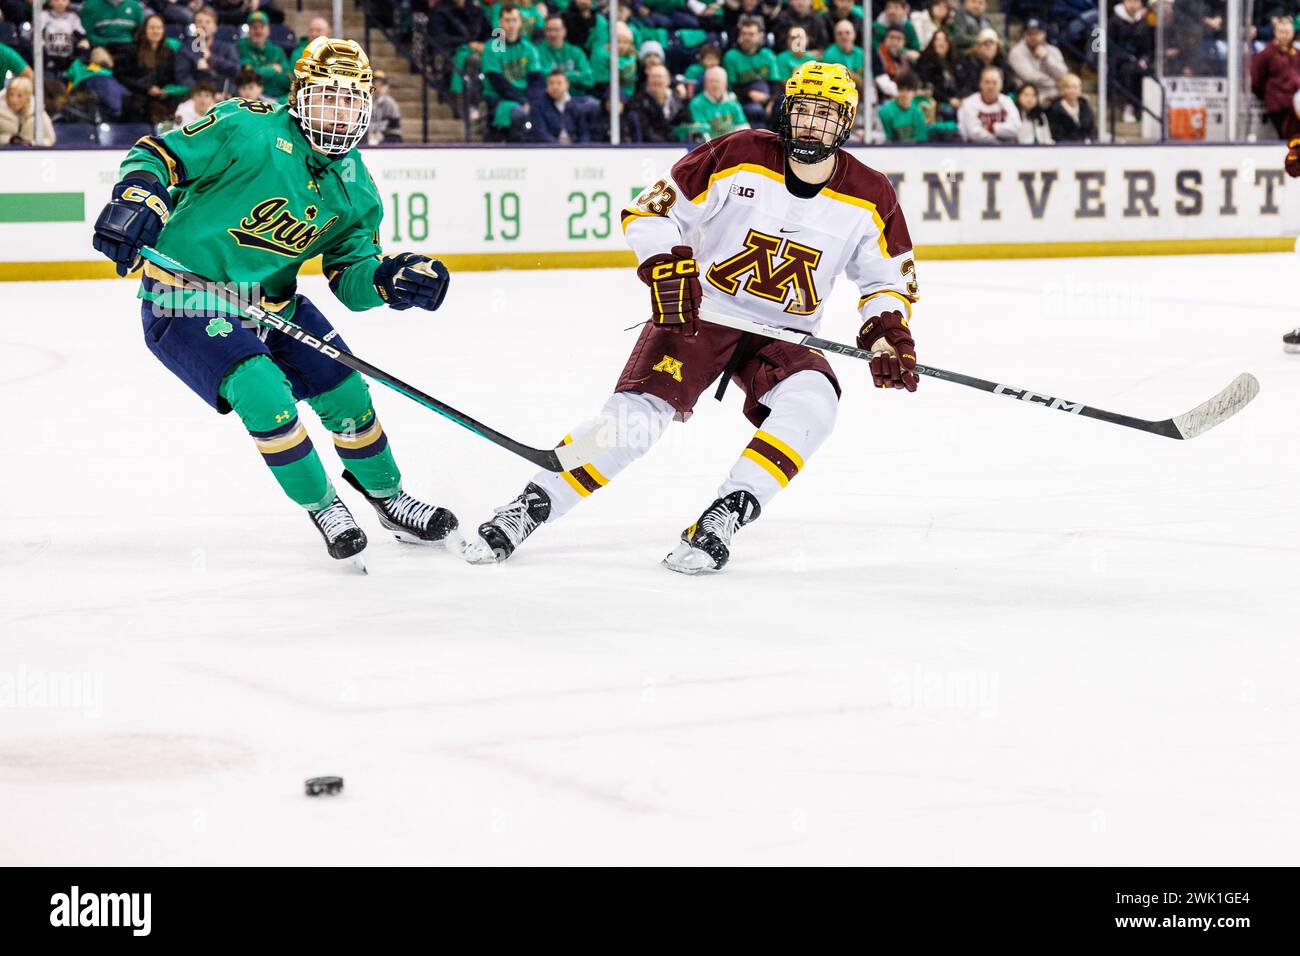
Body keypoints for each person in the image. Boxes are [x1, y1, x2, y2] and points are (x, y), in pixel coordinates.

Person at [462, 61, 919, 574]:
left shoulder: (871, 193)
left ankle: (724, 515)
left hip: (784, 335)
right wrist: (666, 268)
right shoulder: (739, 153)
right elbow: (652, 211)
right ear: (787, 112)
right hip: (699, 313)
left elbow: (886, 280)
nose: (812, 124)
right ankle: (534, 502)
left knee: (815, 403)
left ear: (845, 123)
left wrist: (887, 333)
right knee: (632, 424)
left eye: (825, 115)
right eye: (804, 110)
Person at [90, 38, 457, 565]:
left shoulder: (358, 188)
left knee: (348, 392)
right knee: (263, 392)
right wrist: (138, 195)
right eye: (328, 96)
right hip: (186, 300)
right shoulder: (248, 125)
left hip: (275, 306)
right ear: (300, 93)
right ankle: (323, 504)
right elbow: (159, 154)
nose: (340, 111)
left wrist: (386, 279)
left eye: (352, 100)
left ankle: (387, 496)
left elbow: (351, 277)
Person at [482, 4, 543, 141]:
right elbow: (497, 81)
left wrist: (529, 101)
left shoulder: (528, 48)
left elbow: (536, 80)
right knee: (519, 114)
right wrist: (522, 101)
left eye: (514, 20)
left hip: (524, 97)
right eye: (507, 20)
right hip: (500, 98)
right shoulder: (494, 45)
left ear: (520, 22)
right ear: (500, 22)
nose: (511, 24)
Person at [119, 13, 188, 123]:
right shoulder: (132, 51)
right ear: (144, 30)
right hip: (138, 94)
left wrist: (165, 90)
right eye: (152, 28)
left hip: (160, 95)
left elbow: (171, 77)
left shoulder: (168, 52)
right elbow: (123, 76)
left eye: (159, 28)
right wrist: (147, 88)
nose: (156, 31)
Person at [1251, 15, 1300, 138]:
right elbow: (1256, 78)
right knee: (1287, 137)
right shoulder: (1267, 53)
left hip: (1296, 104)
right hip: (1278, 104)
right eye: (1281, 32)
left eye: (1288, 32)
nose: (1284, 35)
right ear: (1275, 33)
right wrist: (1268, 95)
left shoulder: (1296, 53)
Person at [723, 15, 777, 127]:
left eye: (751, 34)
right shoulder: (731, 56)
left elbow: (775, 84)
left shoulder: (768, 55)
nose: (747, 37)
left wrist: (771, 103)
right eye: (744, 34)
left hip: (767, 98)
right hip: (743, 99)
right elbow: (732, 87)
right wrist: (749, 93)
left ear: (760, 36)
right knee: (755, 110)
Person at [176, 5, 240, 93]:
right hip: (198, 96)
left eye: (208, 22)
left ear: (215, 27)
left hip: (224, 96)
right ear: (195, 26)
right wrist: (206, 93)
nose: (203, 25)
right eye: (199, 22)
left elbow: (236, 70)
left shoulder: (227, 47)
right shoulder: (186, 49)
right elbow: (183, 78)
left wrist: (211, 58)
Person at [1006, 17, 1067, 103]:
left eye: (1036, 33)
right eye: (1029, 34)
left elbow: (1063, 74)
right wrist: (1054, 83)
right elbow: (1029, 76)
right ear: (1024, 35)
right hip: (1027, 93)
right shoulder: (1016, 52)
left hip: (1052, 91)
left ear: (1044, 34)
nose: (1033, 37)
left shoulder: (1053, 50)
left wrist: (1047, 58)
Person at [684, 64, 749, 140]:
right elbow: (702, 132)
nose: (714, 85)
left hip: (732, 145)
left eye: (718, 81)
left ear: (725, 83)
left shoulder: (733, 102)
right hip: (710, 146)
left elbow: (743, 127)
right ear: (705, 83)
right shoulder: (696, 104)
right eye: (711, 81)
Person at [626, 62, 688, 141]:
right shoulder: (637, 102)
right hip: (651, 148)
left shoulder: (679, 102)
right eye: (653, 77)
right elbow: (645, 131)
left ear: (668, 80)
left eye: (659, 77)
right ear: (647, 80)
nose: (656, 80)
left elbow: (685, 126)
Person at [957, 64, 1019, 141]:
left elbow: (1015, 128)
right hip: (974, 149)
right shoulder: (969, 103)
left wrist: (991, 127)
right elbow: (973, 132)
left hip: (1006, 149)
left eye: (994, 83)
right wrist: (996, 141)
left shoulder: (1007, 102)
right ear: (980, 84)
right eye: (987, 82)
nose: (991, 86)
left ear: (1001, 85)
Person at [239, 10, 291, 100]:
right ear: (249, 30)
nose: (258, 31)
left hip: (281, 98)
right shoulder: (241, 47)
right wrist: (273, 69)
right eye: (254, 28)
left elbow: (288, 80)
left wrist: (261, 72)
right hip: (255, 98)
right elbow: (249, 77)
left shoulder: (277, 50)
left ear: (268, 30)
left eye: (262, 27)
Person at [531, 68, 592, 141]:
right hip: (550, 149)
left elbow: (584, 133)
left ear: (567, 85)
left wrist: (581, 149)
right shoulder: (538, 106)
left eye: (559, 83)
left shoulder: (576, 106)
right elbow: (542, 133)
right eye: (551, 83)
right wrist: (559, 149)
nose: (554, 87)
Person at [955, 27, 1013, 99]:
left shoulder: (1002, 63)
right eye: (985, 44)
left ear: (997, 47)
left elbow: (1010, 86)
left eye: (992, 44)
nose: (989, 47)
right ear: (977, 47)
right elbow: (964, 89)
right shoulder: (966, 64)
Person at [915, 28, 960, 119]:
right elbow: (929, 88)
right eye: (937, 40)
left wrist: (960, 98)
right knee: (949, 112)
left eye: (944, 40)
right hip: (936, 100)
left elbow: (960, 83)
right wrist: (949, 100)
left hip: (954, 99)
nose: (941, 43)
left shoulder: (953, 62)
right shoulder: (925, 61)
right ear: (933, 43)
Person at [0, 75, 56, 145]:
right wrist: (9, 139)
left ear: (27, 97)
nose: (14, 100)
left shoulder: (38, 113)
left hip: (31, 154)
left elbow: (50, 139)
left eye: (19, 96)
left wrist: (31, 143)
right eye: (11, 94)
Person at [81, 0, 146, 60]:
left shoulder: (136, 6)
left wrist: (132, 44)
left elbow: (141, 32)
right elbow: (88, 33)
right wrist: (105, 43)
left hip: (129, 47)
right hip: (102, 48)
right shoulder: (90, 5)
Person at [878, 70, 928, 141]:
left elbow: (921, 141)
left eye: (908, 90)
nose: (905, 94)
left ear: (914, 92)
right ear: (897, 90)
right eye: (901, 89)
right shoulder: (885, 113)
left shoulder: (918, 114)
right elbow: (886, 141)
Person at [1046, 72, 1096, 141]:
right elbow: (1056, 135)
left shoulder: (1085, 107)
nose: (1072, 91)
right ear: (1062, 90)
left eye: (1075, 87)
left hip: (1085, 147)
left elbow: (1092, 130)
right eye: (1069, 87)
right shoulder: (1054, 110)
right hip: (1064, 148)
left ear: (1080, 89)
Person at [369, 69, 402, 143]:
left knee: (395, 139)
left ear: (387, 87)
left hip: (385, 136)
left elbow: (395, 129)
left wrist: (381, 136)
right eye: (375, 84)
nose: (378, 88)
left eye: (381, 85)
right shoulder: (365, 101)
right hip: (367, 135)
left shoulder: (390, 103)